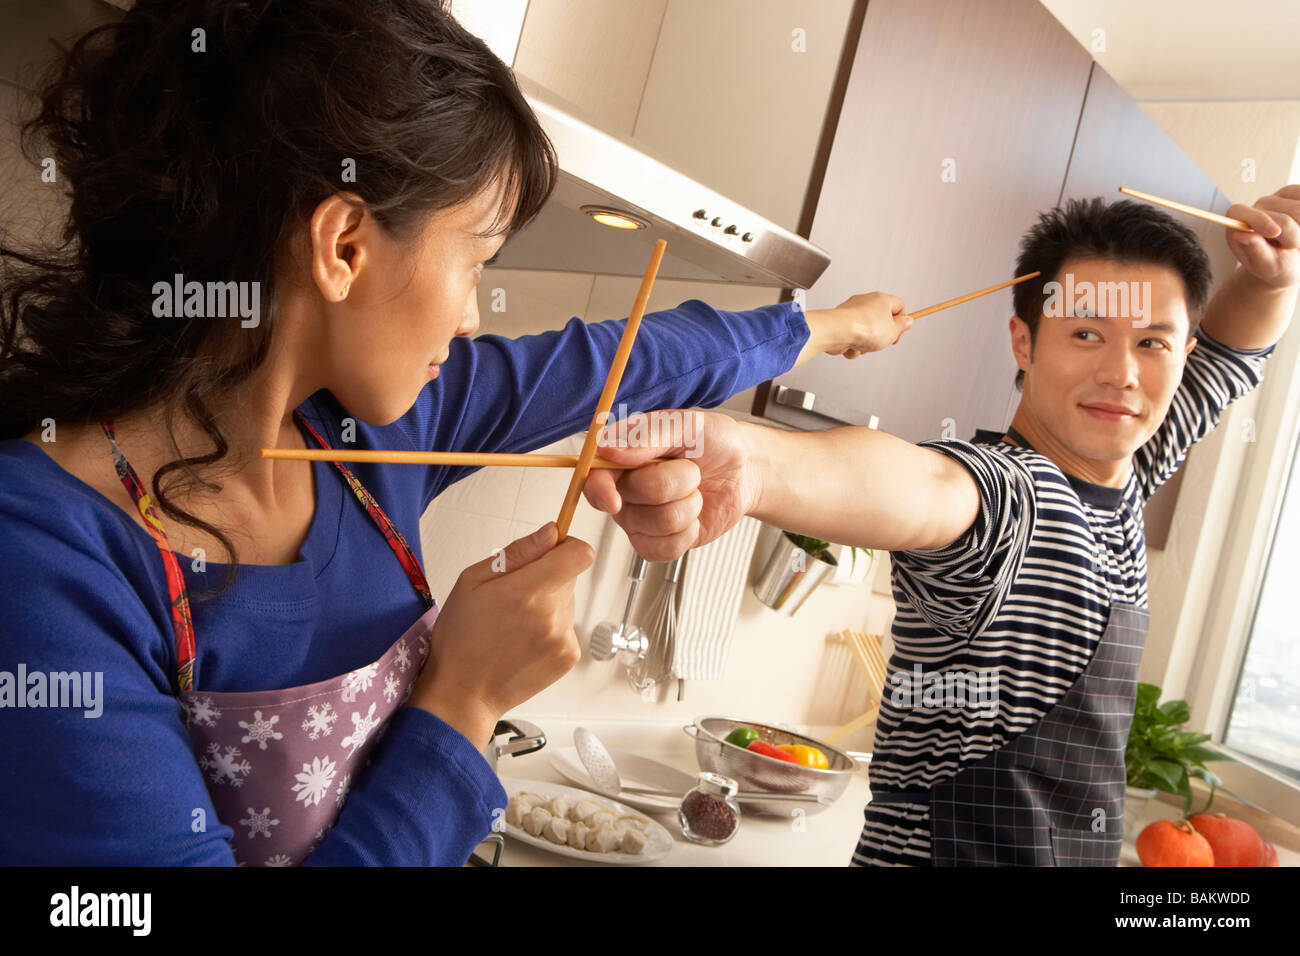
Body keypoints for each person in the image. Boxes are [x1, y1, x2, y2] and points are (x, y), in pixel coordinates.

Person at [0, 0, 907, 866]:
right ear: (345, 245)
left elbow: (620, 361)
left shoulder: (364, 434)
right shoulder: (41, 553)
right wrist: (466, 701)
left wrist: (821, 329)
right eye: (475, 258)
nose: (475, 316)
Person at [586, 189, 1300, 866]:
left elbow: (1232, 355)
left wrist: (1268, 282)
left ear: (1180, 356)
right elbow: (926, 486)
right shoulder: (1011, 493)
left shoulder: (1129, 471)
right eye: (1086, 333)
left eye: (1153, 343)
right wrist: (756, 464)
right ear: (1024, 342)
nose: (1121, 372)